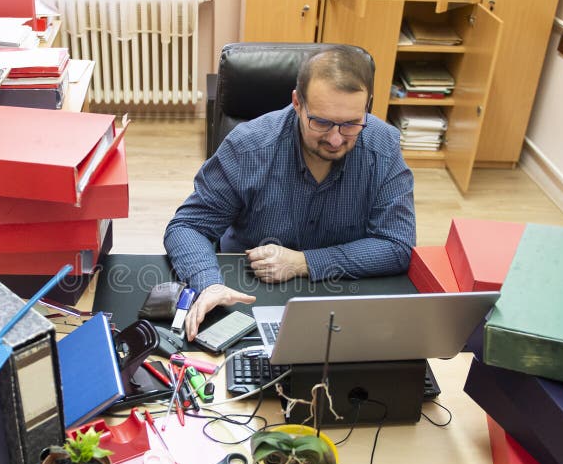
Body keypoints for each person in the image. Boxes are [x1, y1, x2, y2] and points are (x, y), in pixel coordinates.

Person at [164, 46, 416, 340]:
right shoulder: (248, 147)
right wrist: (209, 283)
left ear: (367, 107)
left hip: (342, 294)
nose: (336, 139)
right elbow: (187, 227)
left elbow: (397, 245)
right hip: (249, 288)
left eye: (350, 124)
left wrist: (303, 262)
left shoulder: (382, 148)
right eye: (321, 122)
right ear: (297, 102)